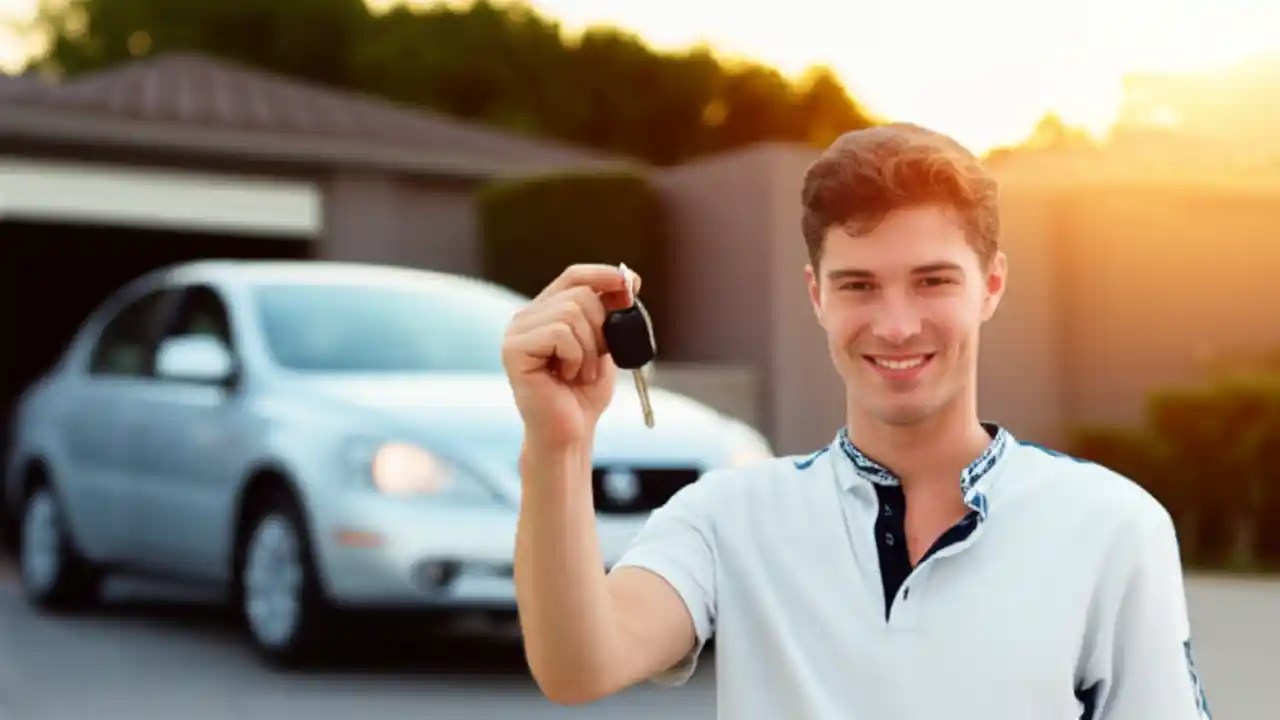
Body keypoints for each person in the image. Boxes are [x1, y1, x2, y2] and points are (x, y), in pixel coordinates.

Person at [501, 122, 1212, 719]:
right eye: (859, 285)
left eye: (932, 281)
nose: (896, 324)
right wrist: (558, 444)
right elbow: (579, 667)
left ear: (991, 285)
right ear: (817, 295)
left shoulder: (1114, 525)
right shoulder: (726, 517)